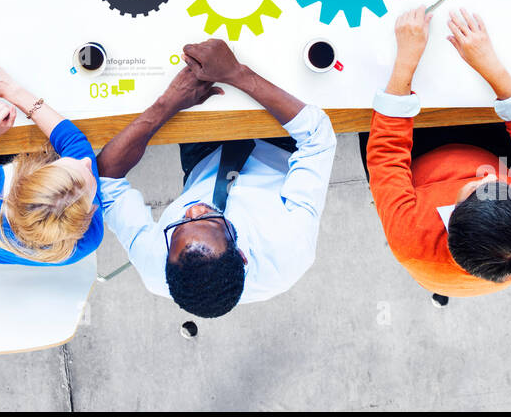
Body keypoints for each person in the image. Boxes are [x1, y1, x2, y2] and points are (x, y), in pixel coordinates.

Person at [97, 40, 337, 317]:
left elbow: (105, 178)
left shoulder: (154, 264)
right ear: (243, 255)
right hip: (281, 143)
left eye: (179, 224)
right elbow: (317, 137)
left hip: (204, 154)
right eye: (209, 220)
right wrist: (235, 73)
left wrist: (169, 103)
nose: (193, 209)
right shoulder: (289, 250)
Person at [367, 6, 511, 299]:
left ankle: (439, 291)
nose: (483, 178)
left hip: (414, 162)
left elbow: (386, 156)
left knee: (369, 108)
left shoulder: (409, 238)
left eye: (473, 190)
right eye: (500, 189)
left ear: (449, 222)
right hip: (487, 147)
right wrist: (491, 66)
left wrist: (406, 62)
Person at [0, 67, 103, 265]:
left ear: (30, 176)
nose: (86, 161)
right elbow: (75, 144)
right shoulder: (88, 238)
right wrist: (11, 91)